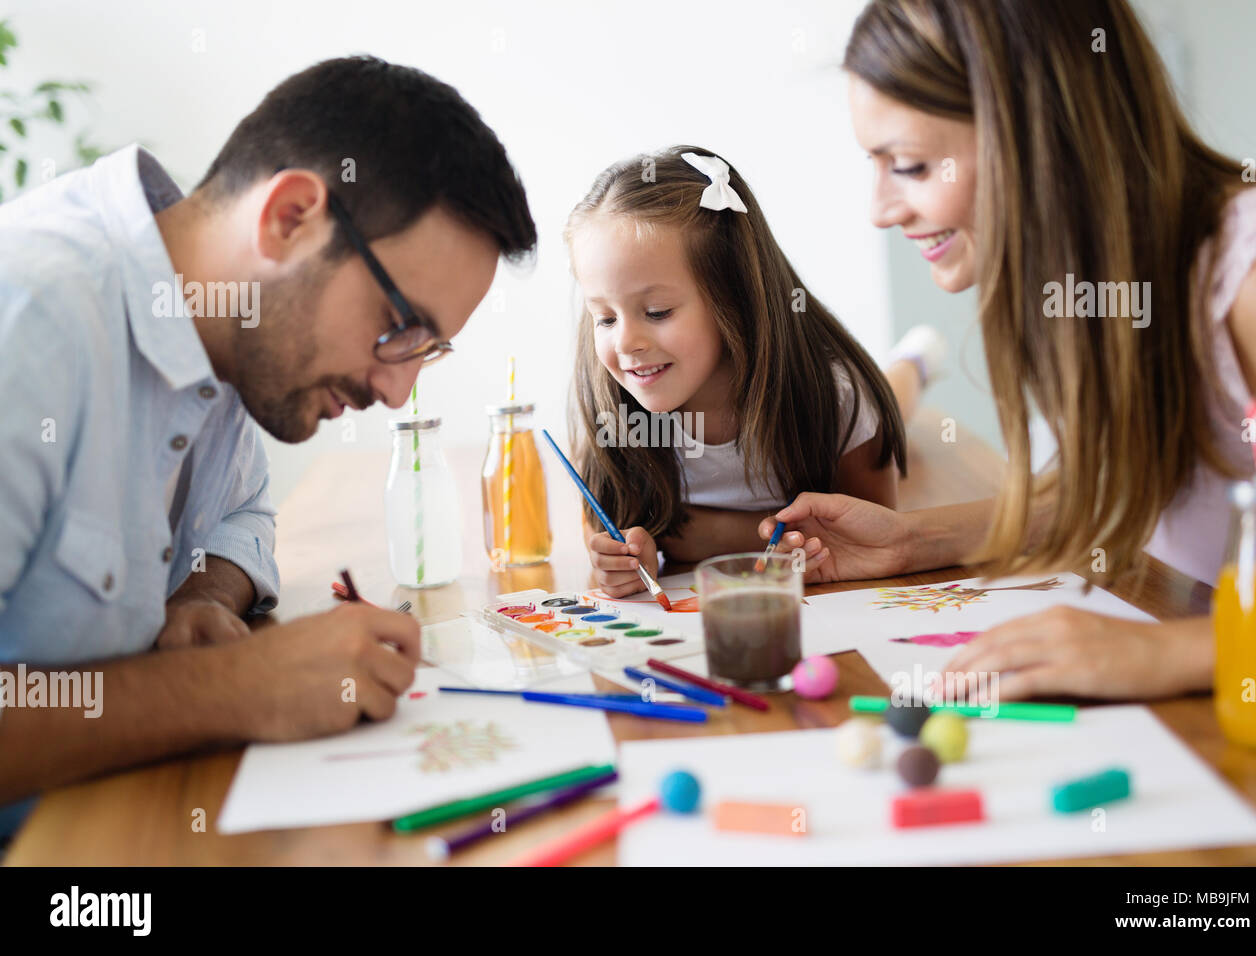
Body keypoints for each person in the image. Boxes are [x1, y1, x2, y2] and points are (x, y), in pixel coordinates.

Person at [0, 56, 536, 812]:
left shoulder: (226, 343)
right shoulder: (27, 319)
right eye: (399, 327)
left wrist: (199, 596)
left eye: (426, 350)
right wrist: (229, 687)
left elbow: (241, 514)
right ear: (290, 219)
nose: (395, 391)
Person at [761, 0, 1256, 700]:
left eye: (913, 166)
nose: (881, 209)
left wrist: (1172, 651)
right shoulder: (1084, 283)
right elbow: (1107, 482)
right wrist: (909, 542)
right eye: (878, 164)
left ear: (1038, 134)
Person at [563, 145, 909, 596]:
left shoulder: (838, 395)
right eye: (605, 318)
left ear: (735, 297)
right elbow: (606, 536)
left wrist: (683, 535)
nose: (625, 342)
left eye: (657, 311)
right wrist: (628, 559)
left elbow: (876, 540)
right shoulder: (611, 405)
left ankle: (913, 362)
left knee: (904, 395)